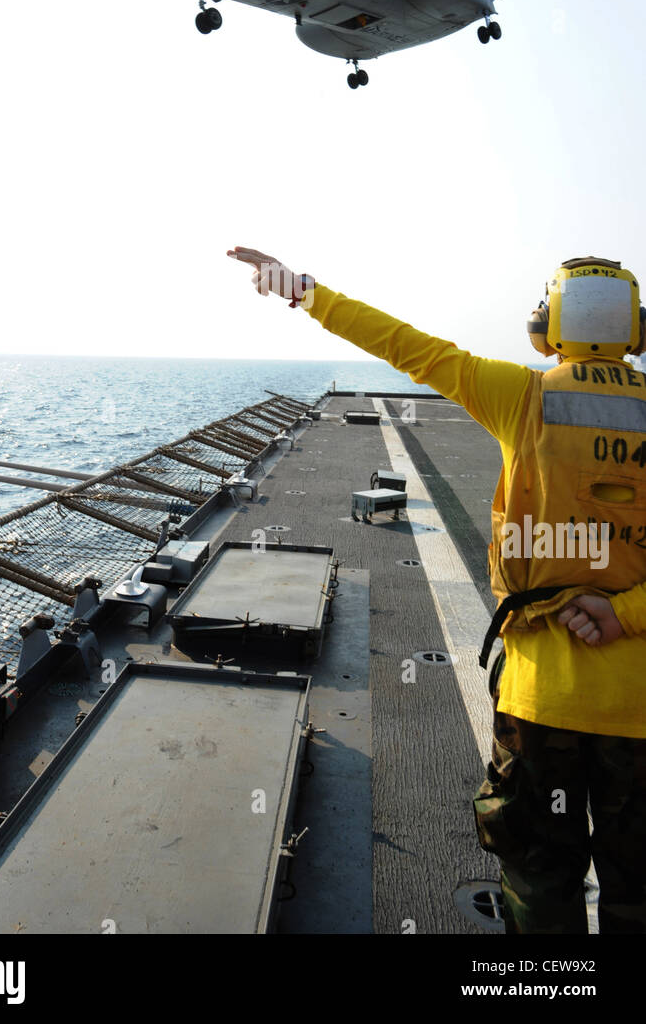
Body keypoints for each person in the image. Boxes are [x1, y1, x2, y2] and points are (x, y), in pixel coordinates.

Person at [227, 246, 646, 934]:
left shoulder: (523, 395)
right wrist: (623, 611)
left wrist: (302, 289)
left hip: (542, 704)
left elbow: (406, 347)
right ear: (636, 328)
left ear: (549, 323)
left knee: (541, 883)